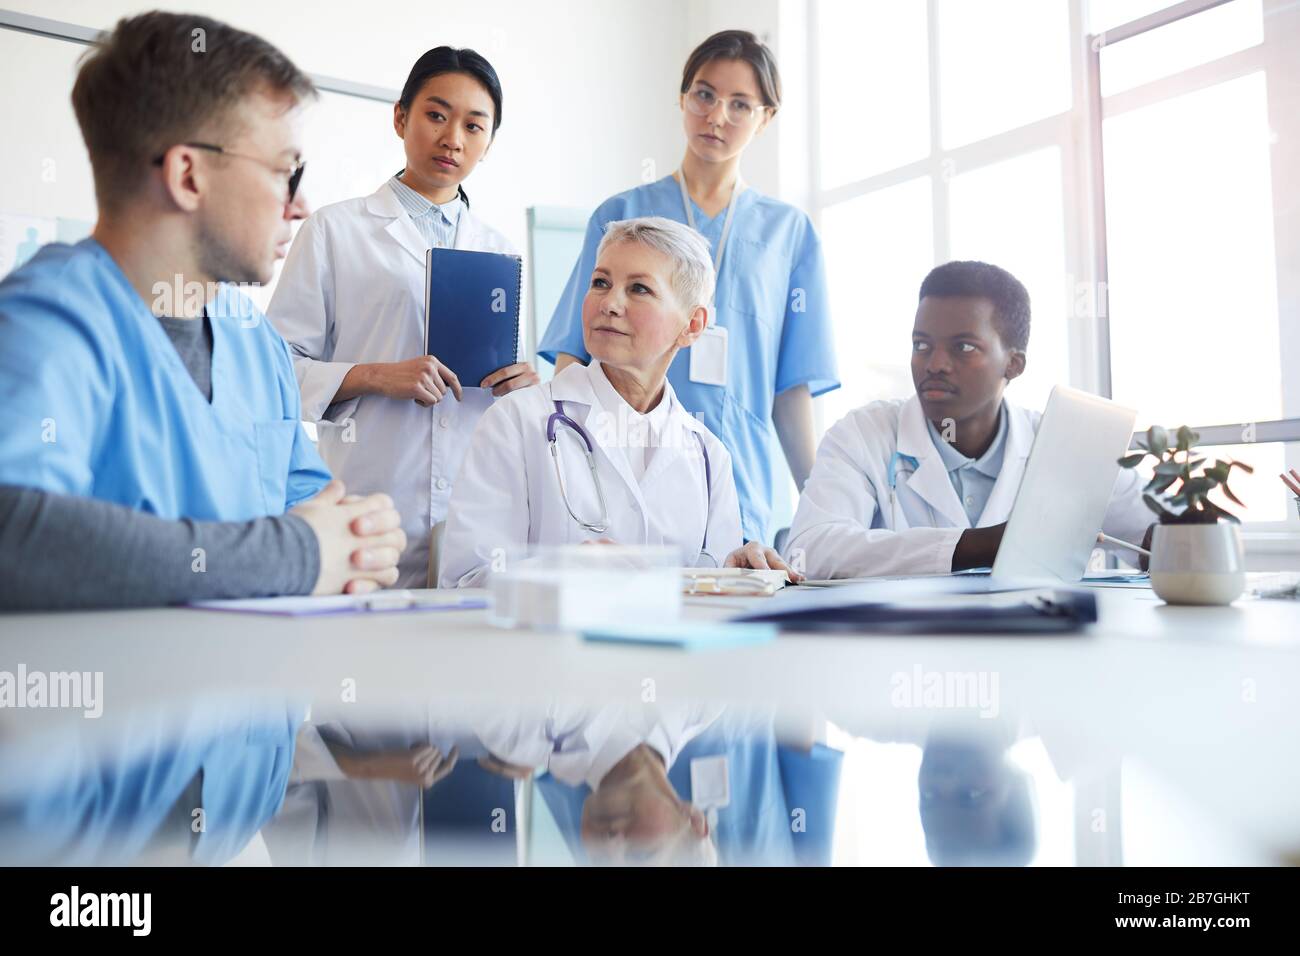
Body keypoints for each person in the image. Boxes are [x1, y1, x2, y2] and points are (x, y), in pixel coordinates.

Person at [0, 11, 403, 610]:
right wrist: (293, 555)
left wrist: (365, 537)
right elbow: (15, 535)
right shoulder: (49, 322)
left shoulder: (254, 342)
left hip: (269, 699)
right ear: (188, 175)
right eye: (284, 171)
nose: (300, 206)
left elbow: (321, 517)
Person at [537, 30, 839, 546]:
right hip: (619, 460)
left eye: (740, 104)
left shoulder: (790, 234)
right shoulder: (621, 216)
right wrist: (559, 461)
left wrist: (825, 509)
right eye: (704, 94)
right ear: (682, 98)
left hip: (741, 477)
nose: (716, 116)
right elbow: (575, 355)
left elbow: (791, 392)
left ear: (765, 118)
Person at [269, 46, 537, 588]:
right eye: (436, 115)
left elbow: (502, 387)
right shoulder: (332, 230)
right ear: (400, 117)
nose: (452, 139)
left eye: (474, 126)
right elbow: (273, 373)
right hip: (368, 498)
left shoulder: (499, 252)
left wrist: (524, 387)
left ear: (488, 143)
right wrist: (375, 375)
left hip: (470, 514)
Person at [439, 217, 796, 588]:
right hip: (548, 647)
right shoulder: (516, 421)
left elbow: (710, 600)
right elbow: (463, 582)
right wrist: (569, 571)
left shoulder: (708, 455)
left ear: (692, 325)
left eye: (639, 288)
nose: (609, 303)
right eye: (600, 283)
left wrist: (733, 572)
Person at [784, 260, 1152, 579]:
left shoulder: (1068, 444)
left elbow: (1157, 537)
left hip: (1034, 650)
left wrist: (1181, 535)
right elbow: (809, 551)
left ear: (1014, 364)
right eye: (921, 345)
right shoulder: (864, 435)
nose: (934, 364)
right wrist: (977, 546)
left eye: (963, 347)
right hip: (898, 650)